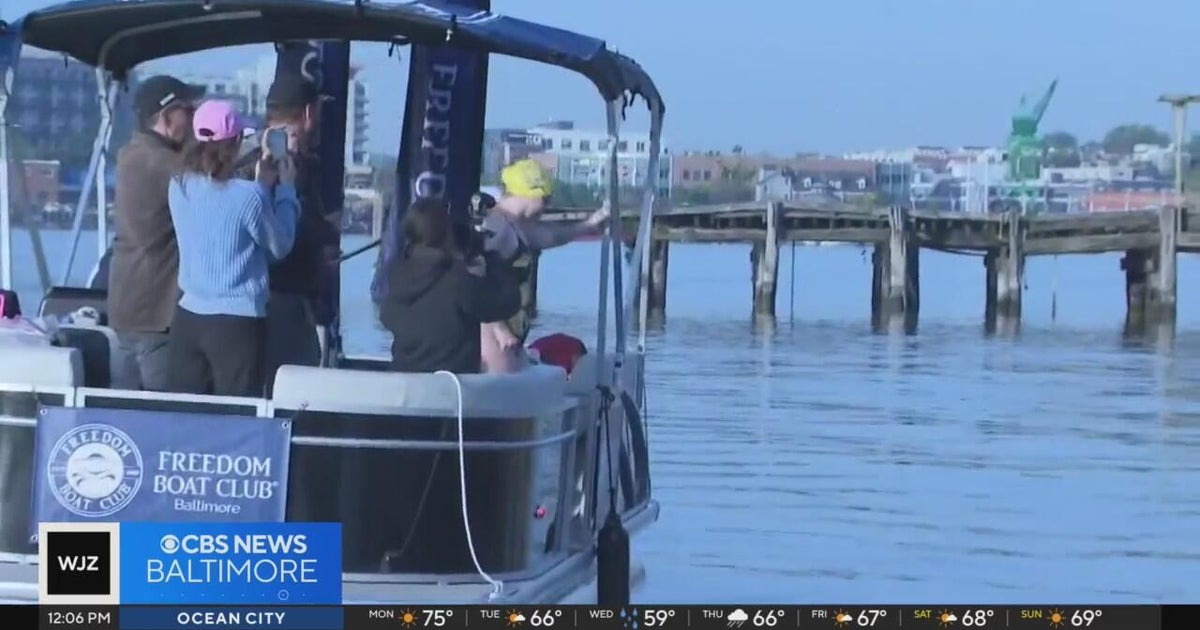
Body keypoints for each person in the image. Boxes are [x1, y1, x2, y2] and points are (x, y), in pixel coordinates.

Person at [165, 100, 300, 397]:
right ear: (237, 141)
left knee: (184, 413)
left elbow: (217, 210)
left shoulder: (179, 186)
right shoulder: (248, 197)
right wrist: (286, 190)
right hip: (237, 324)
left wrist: (260, 187)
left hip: (188, 319)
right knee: (236, 418)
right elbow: (280, 245)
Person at [106, 75, 204, 390]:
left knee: (124, 415)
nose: (194, 118)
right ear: (165, 117)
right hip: (156, 313)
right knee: (163, 415)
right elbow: (216, 189)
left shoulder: (129, 154)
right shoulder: (164, 163)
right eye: (188, 111)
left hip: (125, 305)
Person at [479, 159, 609, 372]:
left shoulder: (512, 224)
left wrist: (590, 224)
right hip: (494, 336)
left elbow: (550, 236)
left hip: (508, 333)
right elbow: (473, 280)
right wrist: (499, 327)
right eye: (546, 198)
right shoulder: (498, 228)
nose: (548, 205)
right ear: (532, 193)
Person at [256, 74, 337, 391]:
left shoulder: (246, 157)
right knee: (294, 393)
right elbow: (289, 231)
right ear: (307, 113)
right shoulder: (295, 167)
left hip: (250, 302)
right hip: (289, 301)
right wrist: (326, 232)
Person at [379, 197, 519, 374]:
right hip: (452, 385)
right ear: (447, 234)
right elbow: (507, 303)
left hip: (405, 376)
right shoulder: (457, 281)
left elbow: (386, 316)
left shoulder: (397, 275)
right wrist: (495, 263)